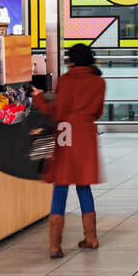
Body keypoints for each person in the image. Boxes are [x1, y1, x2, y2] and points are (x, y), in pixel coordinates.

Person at [32, 43, 105, 258]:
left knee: (61, 186)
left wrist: (38, 97)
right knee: (84, 185)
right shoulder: (99, 81)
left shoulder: (67, 80)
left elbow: (56, 111)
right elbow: (98, 112)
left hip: (66, 132)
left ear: (72, 59)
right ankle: (91, 238)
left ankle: (55, 246)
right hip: (86, 135)